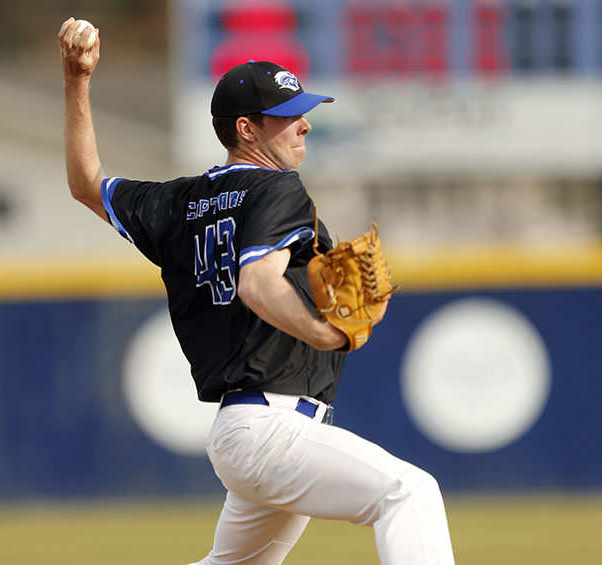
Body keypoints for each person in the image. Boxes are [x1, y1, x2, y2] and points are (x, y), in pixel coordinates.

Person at [58, 18, 456, 564]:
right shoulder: (277, 188)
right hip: (270, 426)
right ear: (246, 128)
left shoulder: (177, 202)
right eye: (289, 116)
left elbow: (86, 184)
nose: (304, 125)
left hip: (248, 431)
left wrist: (76, 81)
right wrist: (323, 333)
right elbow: (257, 281)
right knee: (409, 492)